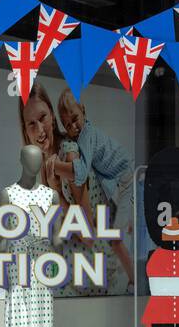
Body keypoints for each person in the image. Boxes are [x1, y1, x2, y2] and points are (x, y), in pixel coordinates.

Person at [54, 89, 136, 285]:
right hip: (118, 186)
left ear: (84, 111)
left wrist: (55, 166)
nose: (73, 127)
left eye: (75, 119)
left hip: (128, 180)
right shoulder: (81, 137)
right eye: (67, 125)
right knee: (118, 237)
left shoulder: (86, 137)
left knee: (117, 239)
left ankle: (135, 282)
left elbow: (80, 174)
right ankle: (133, 279)